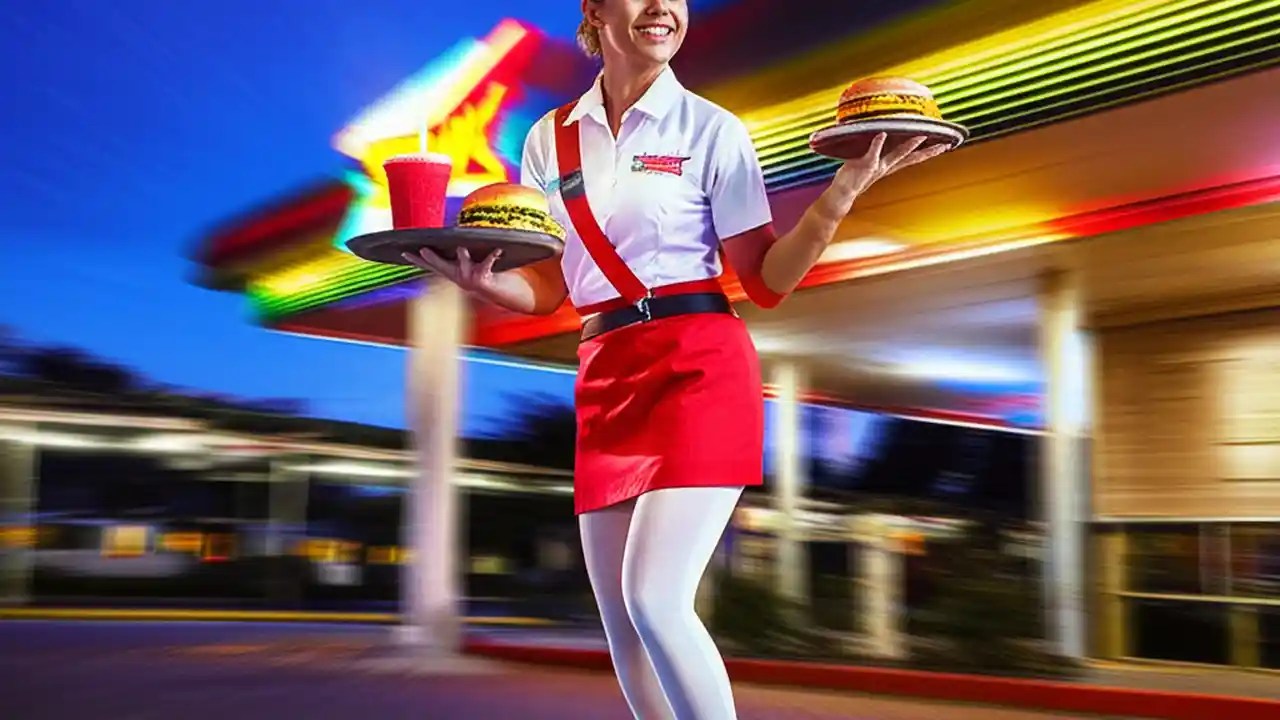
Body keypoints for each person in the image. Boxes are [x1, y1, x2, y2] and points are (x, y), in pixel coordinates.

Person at [403, 2, 946, 717]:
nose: (664, 7)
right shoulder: (549, 140)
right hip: (605, 372)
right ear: (596, 10)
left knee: (655, 598)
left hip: (698, 364)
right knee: (624, 628)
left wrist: (841, 191)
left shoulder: (711, 128)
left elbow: (766, 281)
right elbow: (553, 287)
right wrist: (483, 282)